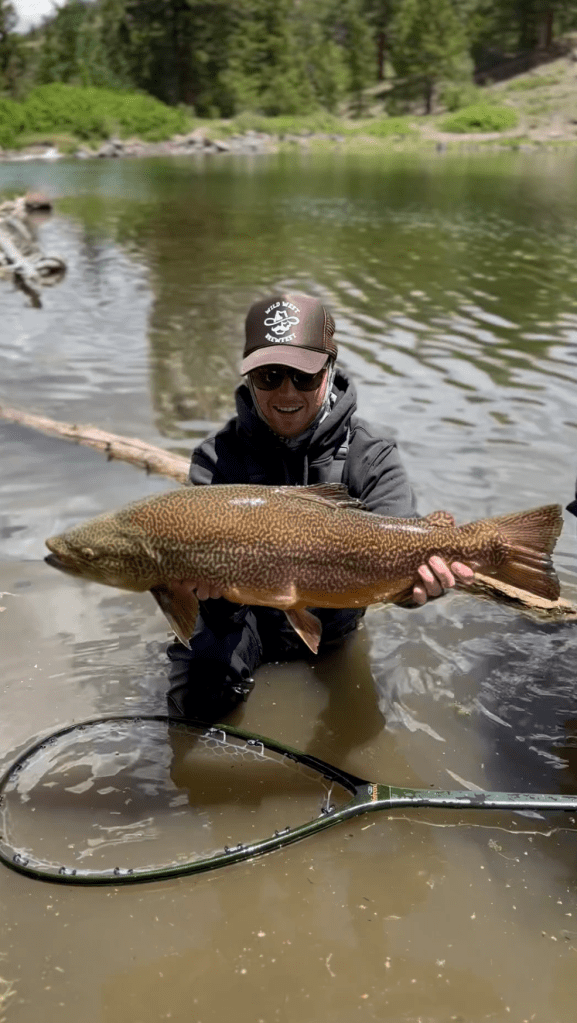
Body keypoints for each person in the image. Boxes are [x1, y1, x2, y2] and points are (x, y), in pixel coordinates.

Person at [166, 292, 473, 721]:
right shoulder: (216, 460)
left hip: (334, 628)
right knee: (195, 702)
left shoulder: (372, 454)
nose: (286, 392)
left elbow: (401, 546)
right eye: (270, 375)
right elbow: (201, 594)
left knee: (362, 725)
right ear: (250, 376)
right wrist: (206, 592)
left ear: (329, 370)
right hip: (245, 623)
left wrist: (416, 589)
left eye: (304, 376)